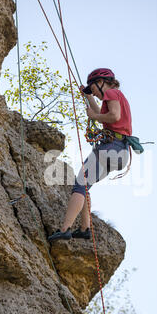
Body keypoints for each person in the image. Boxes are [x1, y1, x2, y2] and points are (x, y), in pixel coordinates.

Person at [47, 68, 132, 241]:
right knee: (85, 185)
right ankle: (85, 228)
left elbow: (113, 116)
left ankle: (65, 228)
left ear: (102, 82)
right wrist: (88, 99)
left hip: (110, 147)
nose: (92, 90)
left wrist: (93, 115)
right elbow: (103, 115)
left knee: (79, 185)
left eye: (92, 87)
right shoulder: (117, 97)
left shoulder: (112, 93)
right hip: (120, 152)